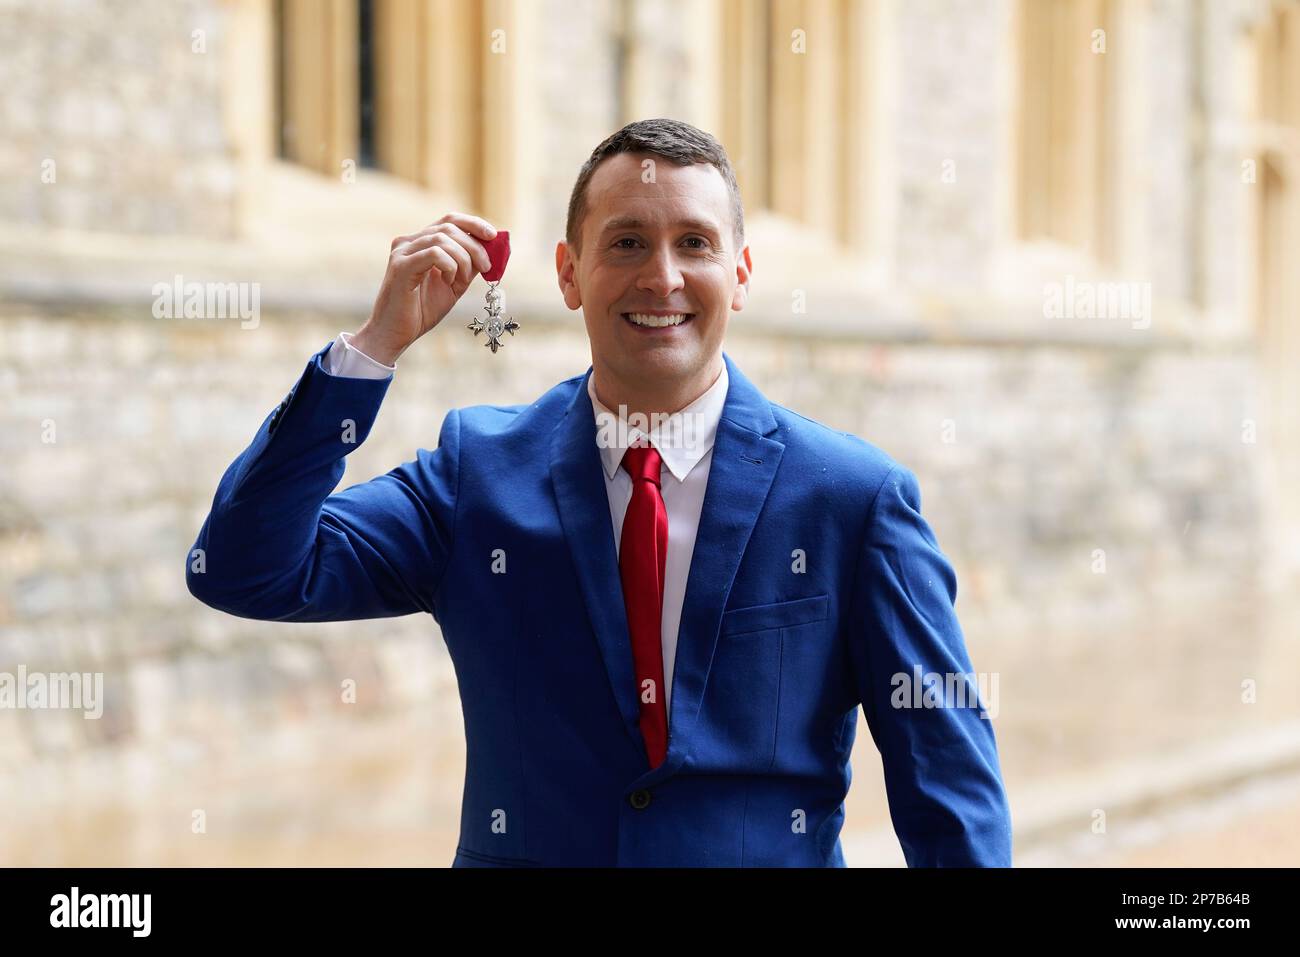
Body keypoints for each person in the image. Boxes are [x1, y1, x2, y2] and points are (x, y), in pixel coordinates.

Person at [186, 117, 1012, 867]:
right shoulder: (478, 475)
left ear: (742, 272)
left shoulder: (852, 500)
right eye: (626, 243)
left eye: (695, 243)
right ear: (570, 273)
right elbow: (244, 569)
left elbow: (951, 796)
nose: (662, 277)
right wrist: (372, 350)